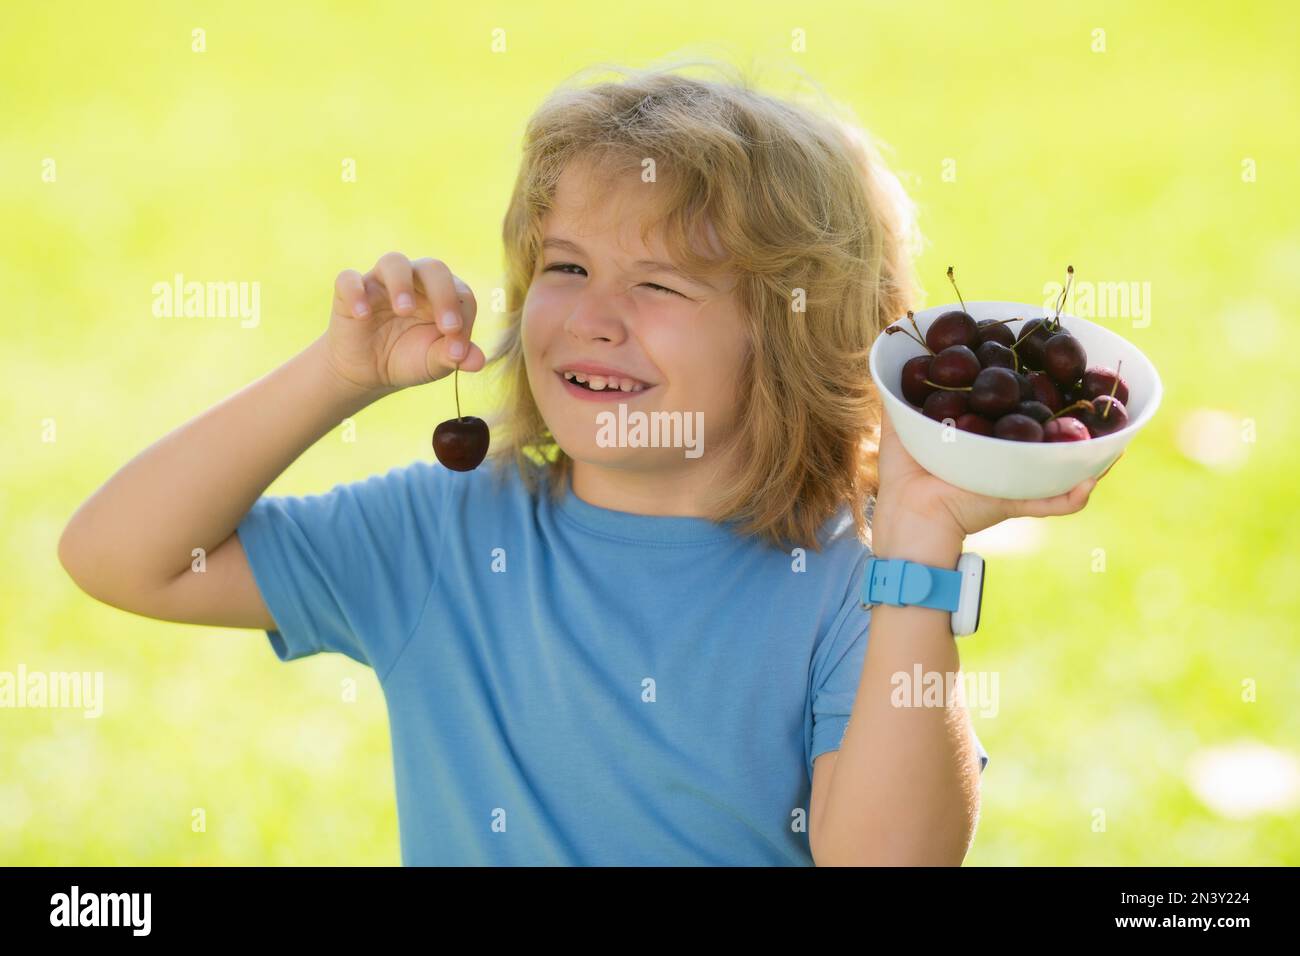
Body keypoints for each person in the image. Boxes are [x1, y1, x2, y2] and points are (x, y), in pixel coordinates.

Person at [58, 61, 1104, 866]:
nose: (590, 319)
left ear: (791, 338)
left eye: (659, 284)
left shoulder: (855, 584)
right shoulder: (449, 531)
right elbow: (120, 554)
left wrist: (918, 554)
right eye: (565, 267)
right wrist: (336, 376)